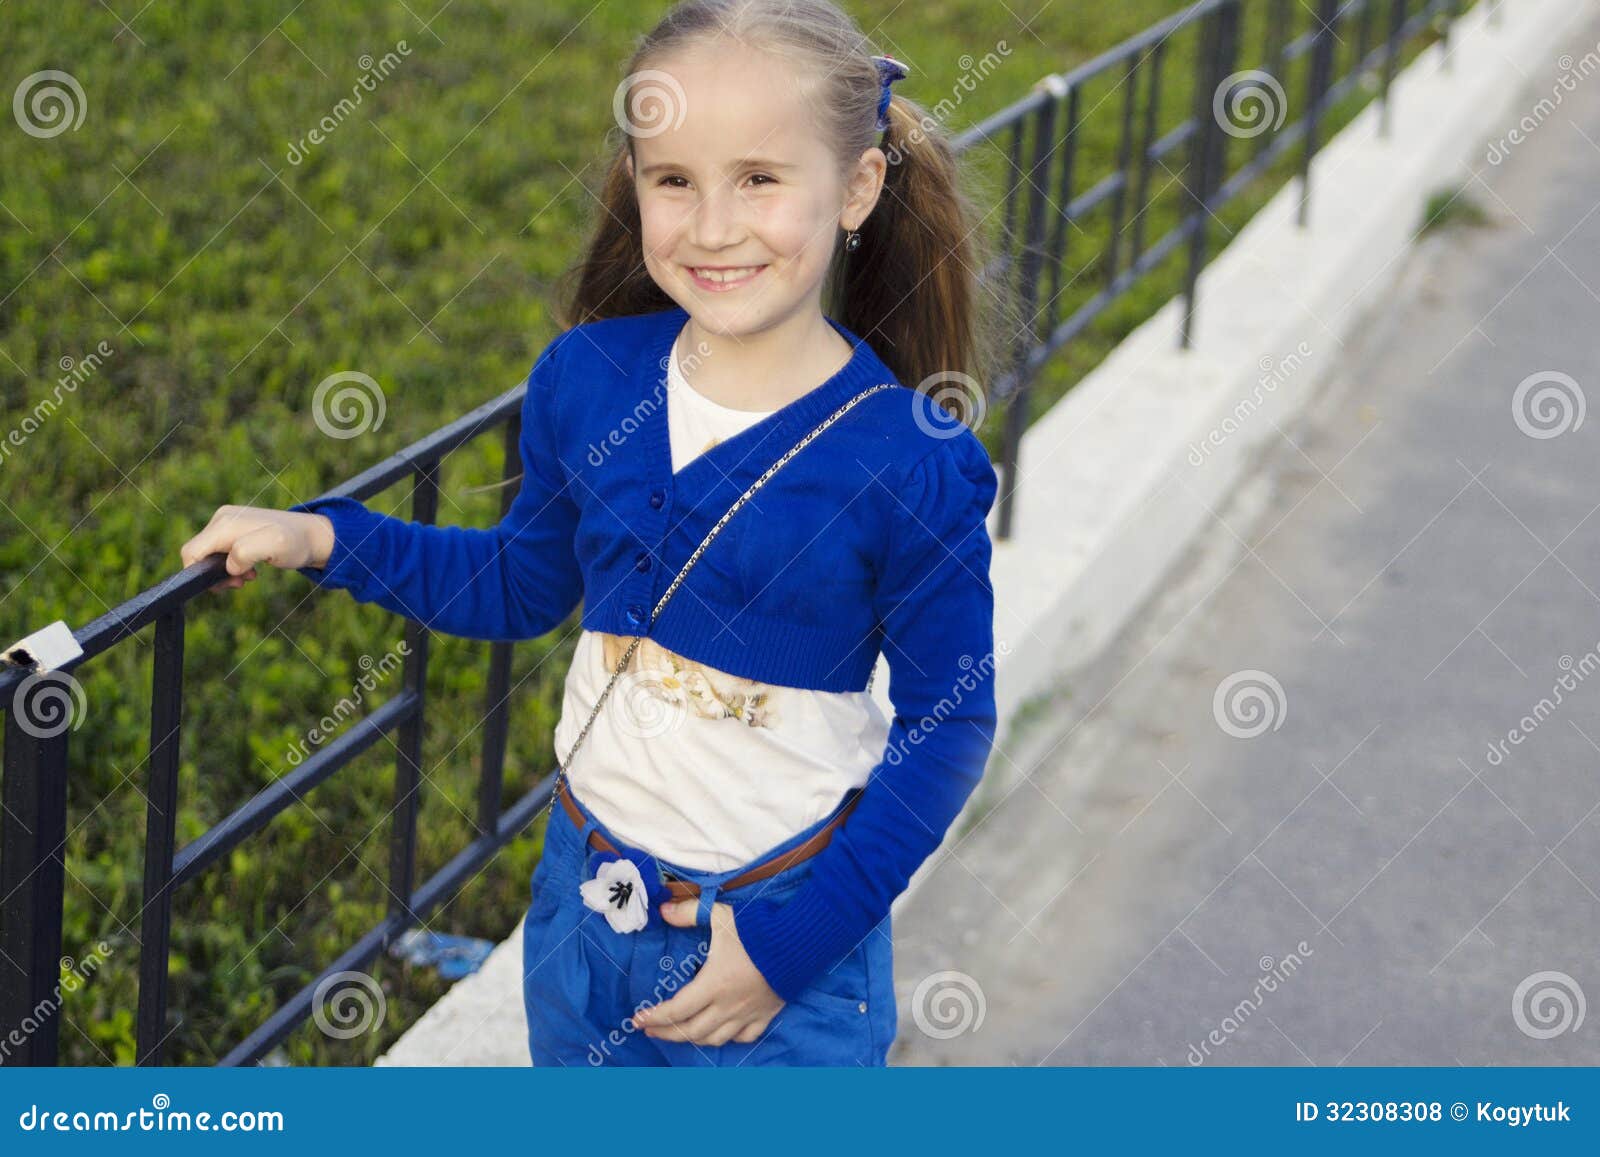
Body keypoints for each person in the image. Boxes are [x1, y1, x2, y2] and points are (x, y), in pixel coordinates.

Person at [179, 0, 1002, 1066]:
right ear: (635, 181)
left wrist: (785, 948)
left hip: (774, 952)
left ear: (854, 187)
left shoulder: (906, 457)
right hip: (582, 907)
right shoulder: (588, 376)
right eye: (674, 180)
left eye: (759, 178)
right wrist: (323, 539)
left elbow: (949, 723)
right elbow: (521, 584)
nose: (711, 226)